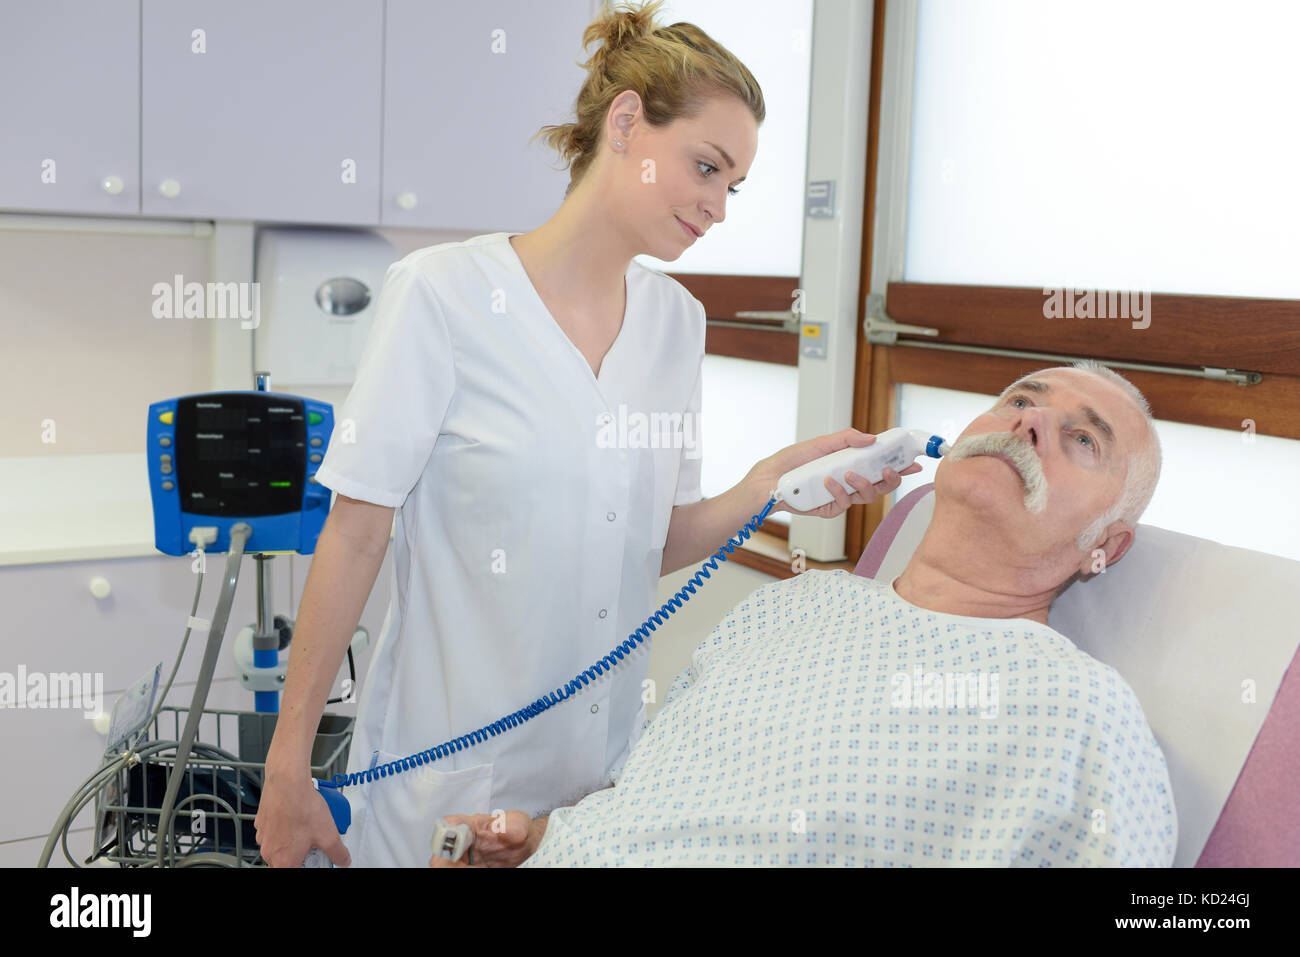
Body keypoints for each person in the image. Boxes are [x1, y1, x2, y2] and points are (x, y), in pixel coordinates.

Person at [254, 0, 919, 868]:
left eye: (734, 186)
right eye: (706, 167)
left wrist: (769, 482)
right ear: (628, 122)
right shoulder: (444, 297)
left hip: (604, 798)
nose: (718, 205)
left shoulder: (676, 323)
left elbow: (655, 541)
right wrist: (288, 760)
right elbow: (356, 530)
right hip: (451, 788)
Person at [432, 362, 1179, 867]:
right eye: (1021, 399)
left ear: (1104, 546)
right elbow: (665, 801)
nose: (1029, 423)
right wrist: (540, 839)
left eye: (1082, 438)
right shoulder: (791, 605)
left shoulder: (1077, 710)